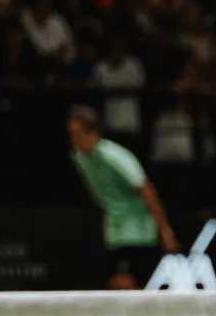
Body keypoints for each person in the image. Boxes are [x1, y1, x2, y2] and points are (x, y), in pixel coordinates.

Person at [67, 101, 176, 287]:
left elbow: (145, 188)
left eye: (77, 132)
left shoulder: (113, 155)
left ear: (93, 132)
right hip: (113, 233)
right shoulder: (79, 158)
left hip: (137, 232)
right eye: (71, 133)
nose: (73, 138)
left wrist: (165, 231)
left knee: (124, 284)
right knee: (119, 285)